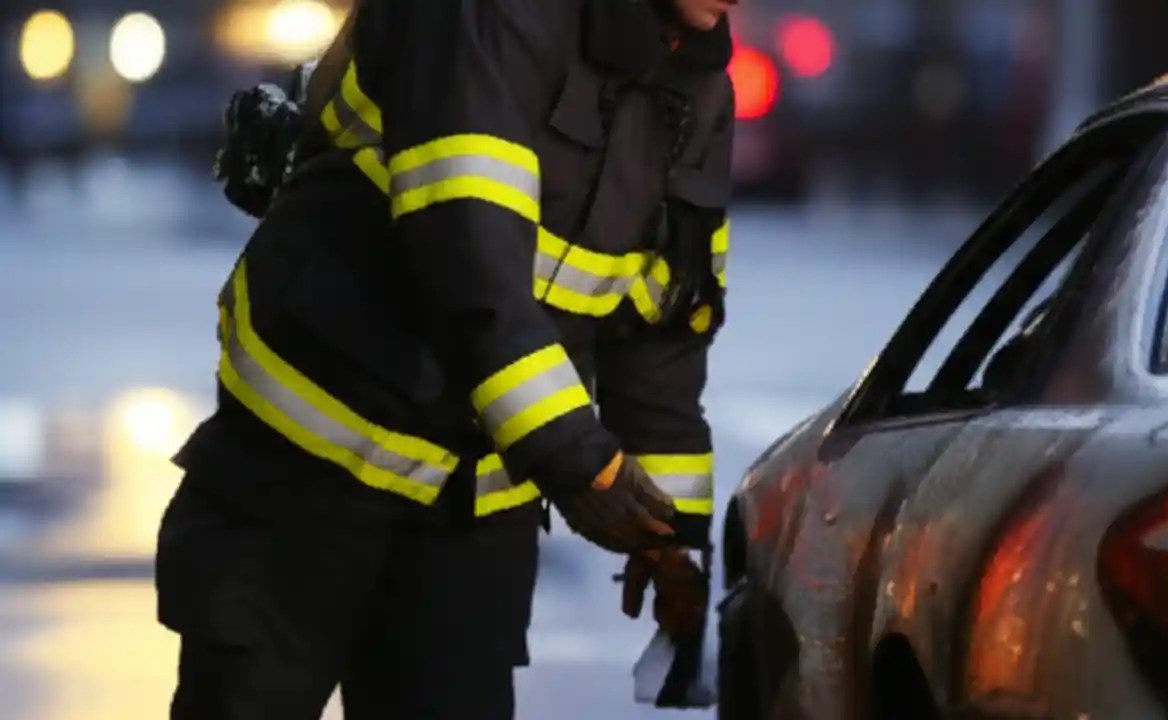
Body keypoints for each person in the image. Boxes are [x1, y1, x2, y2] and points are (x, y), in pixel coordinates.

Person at [154, 0, 737, 716]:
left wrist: (670, 538)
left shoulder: (700, 87)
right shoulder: (491, 14)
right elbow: (469, 256)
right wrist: (580, 464)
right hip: (306, 465)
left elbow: (661, 333)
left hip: (473, 507)